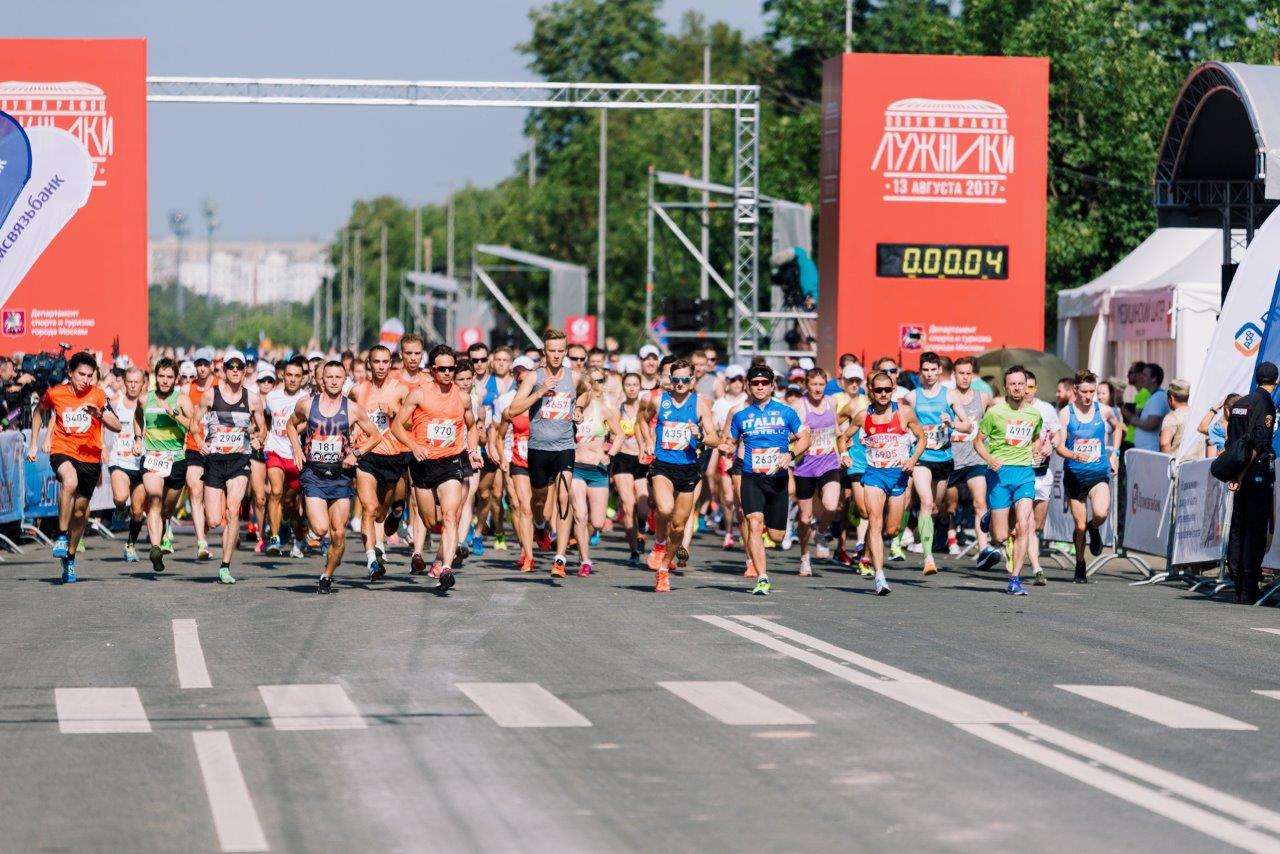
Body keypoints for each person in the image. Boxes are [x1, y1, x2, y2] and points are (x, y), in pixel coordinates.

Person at [288, 360, 384, 594]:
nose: (333, 381)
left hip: (340, 476)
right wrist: (297, 449)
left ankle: (327, 575)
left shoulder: (352, 409)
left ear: (344, 380)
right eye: (329, 377)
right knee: (321, 530)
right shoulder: (307, 405)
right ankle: (313, 539)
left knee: (339, 534)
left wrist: (356, 453)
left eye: (338, 377)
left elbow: (375, 436)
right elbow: (291, 426)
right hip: (314, 474)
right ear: (321, 380)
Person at [391, 345, 481, 591]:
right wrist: (412, 445)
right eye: (443, 369)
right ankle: (431, 543)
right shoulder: (419, 394)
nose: (448, 373)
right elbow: (397, 427)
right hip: (422, 463)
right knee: (431, 522)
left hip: (451, 462)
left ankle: (446, 568)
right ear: (432, 369)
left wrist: (472, 450)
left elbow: (472, 426)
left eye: (452, 368)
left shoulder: (462, 397)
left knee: (452, 516)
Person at [27, 352, 122, 582]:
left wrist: (99, 414)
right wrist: (33, 443)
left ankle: (69, 558)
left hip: (89, 459)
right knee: (69, 481)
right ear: (70, 372)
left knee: (81, 512)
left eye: (90, 375)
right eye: (81, 374)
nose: (86, 380)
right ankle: (60, 536)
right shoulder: (56, 393)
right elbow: (39, 412)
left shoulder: (98, 395)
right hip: (63, 450)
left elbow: (117, 425)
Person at [720, 365, 810, 596]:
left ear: (772, 386)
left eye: (764, 383)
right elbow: (730, 442)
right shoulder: (740, 416)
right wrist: (725, 448)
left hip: (777, 479)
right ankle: (762, 577)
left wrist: (790, 454)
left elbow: (805, 437)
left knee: (776, 536)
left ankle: (780, 529)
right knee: (753, 522)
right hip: (751, 476)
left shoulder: (786, 412)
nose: (759, 387)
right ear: (749, 387)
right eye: (755, 383)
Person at [639, 358, 719, 591]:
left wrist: (701, 435)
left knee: (679, 526)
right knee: (664, 509)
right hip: (663, 464)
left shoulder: (700, 405)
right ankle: (659, 542)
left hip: (688, 468)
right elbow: (641, 420)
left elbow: (715, 438)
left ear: (692, 381)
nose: (681, 384)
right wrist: (647, 441)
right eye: (676, 379)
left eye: (685, 380)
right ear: (671, 380)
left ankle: (664, 568)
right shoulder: (657, 400)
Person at [507, 329, 582, 577]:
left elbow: (590, 391)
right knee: (538, 501)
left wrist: (579, 406)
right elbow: (513, 409)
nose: (557, 355)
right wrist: (539, 392)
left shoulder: (574, 376)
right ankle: (540, 526)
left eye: (561, 351)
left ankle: (559, 559)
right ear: (544, 352)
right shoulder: (534, 377)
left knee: (563, 496)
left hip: (565, 447)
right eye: (552, 351)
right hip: (538, 448)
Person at [190, 348, 266, 585]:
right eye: (230, 367)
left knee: (233, 510)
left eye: (239, 367)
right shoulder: (211, 395)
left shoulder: (253, 398)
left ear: (244, 371)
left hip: (239, 460)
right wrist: (200, 442)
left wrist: (258, 439)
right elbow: (194, 422)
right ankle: (218, 524)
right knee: (214, 520)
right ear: (224, 370)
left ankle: (225, 566)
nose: (235, 371)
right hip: (214, 460)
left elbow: (262, 428)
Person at [848, 371, 926, 595]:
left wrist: (913, 459)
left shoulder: (904, 413)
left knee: (891, 530)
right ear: (871, 391)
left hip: (899, 475)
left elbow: (922, 437)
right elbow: (843, 437)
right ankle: (879, 576)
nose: (883, 394)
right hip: (874, 474)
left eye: (887, 390)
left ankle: (881, 548)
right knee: (875, 521)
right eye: (878, 390)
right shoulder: (863, 416)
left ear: (893, 390)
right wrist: (844, 454)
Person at [974, 365, 1044, 596]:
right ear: (1005, 386)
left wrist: (1037, 449)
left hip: (1024, 473)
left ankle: (1015, 579)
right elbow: (978, 441)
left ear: (1027, 386)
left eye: (1020, 384)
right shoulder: (995, 412)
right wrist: (989, 458)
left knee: (1024, 525)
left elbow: (1035, 437)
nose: (1016, 388)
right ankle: (989, 517)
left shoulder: (1034, 414)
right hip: (999, 474)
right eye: (1012, 384)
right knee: (1000, 536)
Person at [903, 351, 971, 575]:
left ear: (940, 371)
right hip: (922, 457)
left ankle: (923, 537)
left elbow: (967, 425)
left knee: (934, 507)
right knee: (925, 502)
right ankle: (928, 557)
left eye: (934, 370)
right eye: (926, 370)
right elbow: (903, 422)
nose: (930, 374)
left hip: (943, 458)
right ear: (920, 372)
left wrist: (951, 422)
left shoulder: (950, 395)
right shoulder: (913, 397)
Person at [1057, 370, 1122, 583]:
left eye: (1092, 391)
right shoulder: (1066, 414)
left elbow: (1119, 427)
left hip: (1098, 473)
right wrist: (1073, 454)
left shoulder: (1103, 410)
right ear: (1075, 390)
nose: (1088, 396)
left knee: (1101, 513)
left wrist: (1115, 454)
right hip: (1075, 476)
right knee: (1079, 526)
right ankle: (1080, 564)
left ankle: (1095, 528)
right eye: (1084, 391)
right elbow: (1059, 446)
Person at [350, 345, 409, 579]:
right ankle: (372, 560)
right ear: (369, 364)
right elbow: (346, 414)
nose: (381, 367)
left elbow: (414, 426)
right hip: (367, 456)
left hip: (393, 456)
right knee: (370, 508)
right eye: (377, 362)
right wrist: (351, 434)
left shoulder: (401, 390)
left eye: (385, 362)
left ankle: (393, 519)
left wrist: (395, 413)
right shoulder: (358, 390)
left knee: (383, 512)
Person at [1224, 362, 1277, 604]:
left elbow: (1231, 442)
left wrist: (1235, 473)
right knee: (1255, 529)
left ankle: (1237, 583)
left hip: (1239, 472)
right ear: (1275, 382)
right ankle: (1248, 586)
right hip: (1253, 473)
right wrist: (1242, 474)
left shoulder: (1239, 404)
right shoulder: (1265, 403)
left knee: (1238, 526)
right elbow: (1258, 443)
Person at [138, 358, 194, 572]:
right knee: (154, 499)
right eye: (161, 376)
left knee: (167, 509)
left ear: (176, 379)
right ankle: (154, 547)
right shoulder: (145, 399)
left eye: (169, 377)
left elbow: (194, 426)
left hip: (176, 461)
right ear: (155, 376)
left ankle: (162, 529)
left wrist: (173, 413)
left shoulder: (182, 400)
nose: (164, 380)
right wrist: (137, 438)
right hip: (152, 458)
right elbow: (137, 416)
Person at [570, 367, 623, 577]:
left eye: (597, 382)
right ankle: (584, 559)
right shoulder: (572, 409)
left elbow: (619, 434)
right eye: (589, 383)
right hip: (576, 469)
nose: (593, 387)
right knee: (580, 516)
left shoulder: (603, 409)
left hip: (598, 470)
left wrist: (610, 454)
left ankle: (583, 541)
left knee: (598, 522)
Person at [791, 368, 845, 576]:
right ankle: (805, 557)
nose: (817, 389)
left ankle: (821, 532)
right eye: (813, 384)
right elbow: (790, 434)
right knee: (805, 518)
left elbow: (838, 432)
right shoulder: (799, 406)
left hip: (828, 461)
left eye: (821, 384)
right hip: (805, 465)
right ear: (806, 385)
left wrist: (844, 451)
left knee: (831, 505)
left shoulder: (832, 402)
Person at [945, 357, 997, 568]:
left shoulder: (983, 398)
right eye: (961, 373)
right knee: (945, 506)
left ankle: (983, 549)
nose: (965, 377)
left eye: (968, 373)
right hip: (950, 459)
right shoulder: (947, 397)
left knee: (980, 503)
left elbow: (997, 415)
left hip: (975, 459)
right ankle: (941, 540)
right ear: (954, 375)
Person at [491, 356, 536, 570]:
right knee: (519, 504)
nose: (522, 379)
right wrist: (500, 456)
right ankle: (525, 549)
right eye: (518, 375)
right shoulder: (504, 401)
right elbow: (496, 432)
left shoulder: (540, 398)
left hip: (537, 457)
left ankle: (541, 528)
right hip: (512, 455)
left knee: (538, 507)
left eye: (525, 373)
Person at [264, 357, 309, 559]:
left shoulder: (306, 400)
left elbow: (311, 423)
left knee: (291, 503)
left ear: (303, 378)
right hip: (275, 450)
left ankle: (298, 535)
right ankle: (273, 538)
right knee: (275, 491)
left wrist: (296, 430)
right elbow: (266, 418)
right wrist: (262, 435)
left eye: (297, 376)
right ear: (283, 375)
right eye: (289, 375)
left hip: (296, 456)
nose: (292, 379)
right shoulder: (272, 397)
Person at [1023, 371, 1062, 586]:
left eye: (1030, 387)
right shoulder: (1013, 410)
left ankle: (1020, 543)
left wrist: (1051, 445)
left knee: (1037, 524)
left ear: (1035, 388)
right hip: (1022, 472)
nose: (1026, 391)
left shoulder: (1046, 409)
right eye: (1022, 386)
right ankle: (1037, 568)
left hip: (1043, 472)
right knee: (1026, 524)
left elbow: (1057, 434)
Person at [611, 372, 652, 565]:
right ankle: (634, 550)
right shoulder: (617, 409)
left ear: (640, 386)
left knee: (643, 508)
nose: (632, 388)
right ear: (623, 386)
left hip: (642, 460)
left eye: (635, 384)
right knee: (628, 505)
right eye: (628, 384)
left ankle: (642, 525)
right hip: (622, 459)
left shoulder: (646, 408)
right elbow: (610, 432)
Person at [107, 366, 147, 562]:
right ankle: (119, 508)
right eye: (129, 381)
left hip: (141, 463)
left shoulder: (148, 405)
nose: (132, 385)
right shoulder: (115, 403)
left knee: (138, 511)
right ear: (124, 382)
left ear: (143, 384)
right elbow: (100, 420)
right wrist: (101, 445)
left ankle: (131, 545)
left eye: (136, 382)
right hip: (119, 460)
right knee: (121, 497)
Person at [184, 348, 218, 560]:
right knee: (195, 492)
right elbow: (182, 418)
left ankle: (206, 527)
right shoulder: (187, 389)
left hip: (216, 449)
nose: (202, 368)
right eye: (199, 364)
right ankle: (201, 543)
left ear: (212, 364)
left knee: (212, 509)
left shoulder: (220, 387)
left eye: (205, 364)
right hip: (193, 446)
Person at [248, 362, 275, 554]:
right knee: (259, 498)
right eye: (263, 380)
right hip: (257, 450)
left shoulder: (280, 399)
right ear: (257, 382)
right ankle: (262, 536)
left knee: (274, 493)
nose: (266, 384)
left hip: (277, 450)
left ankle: (276, 528)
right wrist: (251, 433)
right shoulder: (252, 400)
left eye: (270, 381)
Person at [1127, 362, 1168, 452]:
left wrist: (1132, 419)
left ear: (1154, 379)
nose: (1141, 377)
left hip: (1151, 451)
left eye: (1145, 375)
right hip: (1147, 452)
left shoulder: (1158, 397)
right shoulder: (1154, 396)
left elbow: (1151, 424)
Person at [1159, 379, 1199, 461]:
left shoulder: (1172, 417)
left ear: (1171, 398)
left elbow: (1164, 443)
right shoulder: (1199, 415)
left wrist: (1169, 467)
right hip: (1199, 468)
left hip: (1179, 469)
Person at [1197, 393, 1240, 458]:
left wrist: (1216, 408)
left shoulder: (1220, 429)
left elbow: (1201, 428)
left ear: (1227, 411)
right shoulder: (1247, 426)